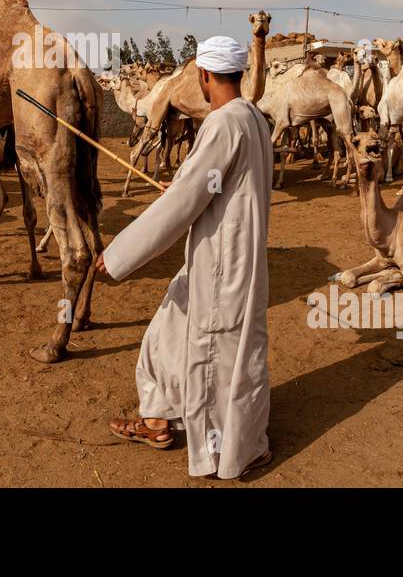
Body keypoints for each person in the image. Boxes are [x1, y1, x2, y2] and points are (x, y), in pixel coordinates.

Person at [95, 35, 274, 480]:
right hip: (232, 251)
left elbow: (183, 204)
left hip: (221, 262)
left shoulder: (221, 124)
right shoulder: (253, 117)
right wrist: (186, 187)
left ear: (205, 75)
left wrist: (116, 255)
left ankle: (230, 453)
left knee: (216, 351)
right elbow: (209, 187)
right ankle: (158, 418)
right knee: (166, 332)